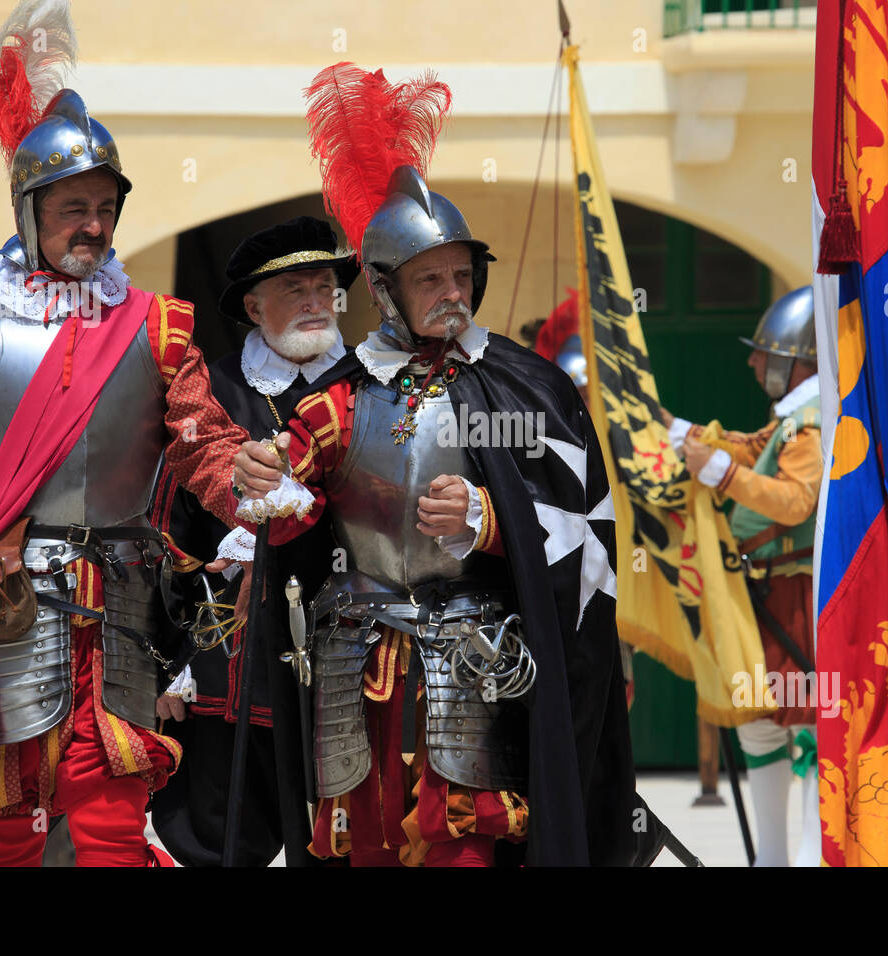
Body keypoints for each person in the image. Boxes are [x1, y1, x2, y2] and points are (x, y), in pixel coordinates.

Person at [0, 0, 248, 867]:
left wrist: (254, 484)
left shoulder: (155, 329)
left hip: (123, 614)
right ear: (30, 209)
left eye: (106, 208)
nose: (95, 227)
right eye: (74, 207)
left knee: (111, 820)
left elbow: (201, 443)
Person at [228, 62, 639, 866]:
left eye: (461, 275)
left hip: (481, 664)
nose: (453, 292)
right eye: (430, 279)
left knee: (469, 846)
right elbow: (296, 504)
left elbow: (587, 531)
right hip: (359, 669)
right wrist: (266, 480)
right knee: (371, 848)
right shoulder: (338, 397)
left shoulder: (529, 387)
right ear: (383, 290)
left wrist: (489, 521)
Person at [150, 217, 358, 867]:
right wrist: (163, 661)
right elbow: (168, 536)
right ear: (252, 306)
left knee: (343, 835)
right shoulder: (211, 391)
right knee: (219, 837)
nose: (314, 300)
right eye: (294, 287)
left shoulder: (369, 386)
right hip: (223, 657)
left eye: (324, 286)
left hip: (344, 653)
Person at [662, 285, 822, 867]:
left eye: (764, 355)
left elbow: (797, 501)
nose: (754, 363)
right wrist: (673, 428)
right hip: (765, 587)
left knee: (804, 720)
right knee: (759, 717)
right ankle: (774, 858)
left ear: (794, 359)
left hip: (797, 588)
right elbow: (752, 447)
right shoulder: (794, 418)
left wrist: (721, 472)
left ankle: (807, 856)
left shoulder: (813, 419)